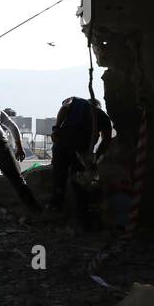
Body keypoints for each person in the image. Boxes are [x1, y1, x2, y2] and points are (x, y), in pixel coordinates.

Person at [49, 95, 113, 224]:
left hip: (63, 144)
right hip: (81, 151)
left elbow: (64, 107)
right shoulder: (104, 117)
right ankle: (83, 215)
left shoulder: (75, 100)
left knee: (59, 177)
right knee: (80, 182)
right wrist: (96, 157)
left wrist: (56, 128)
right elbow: (106, 139)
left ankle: (55, 209)